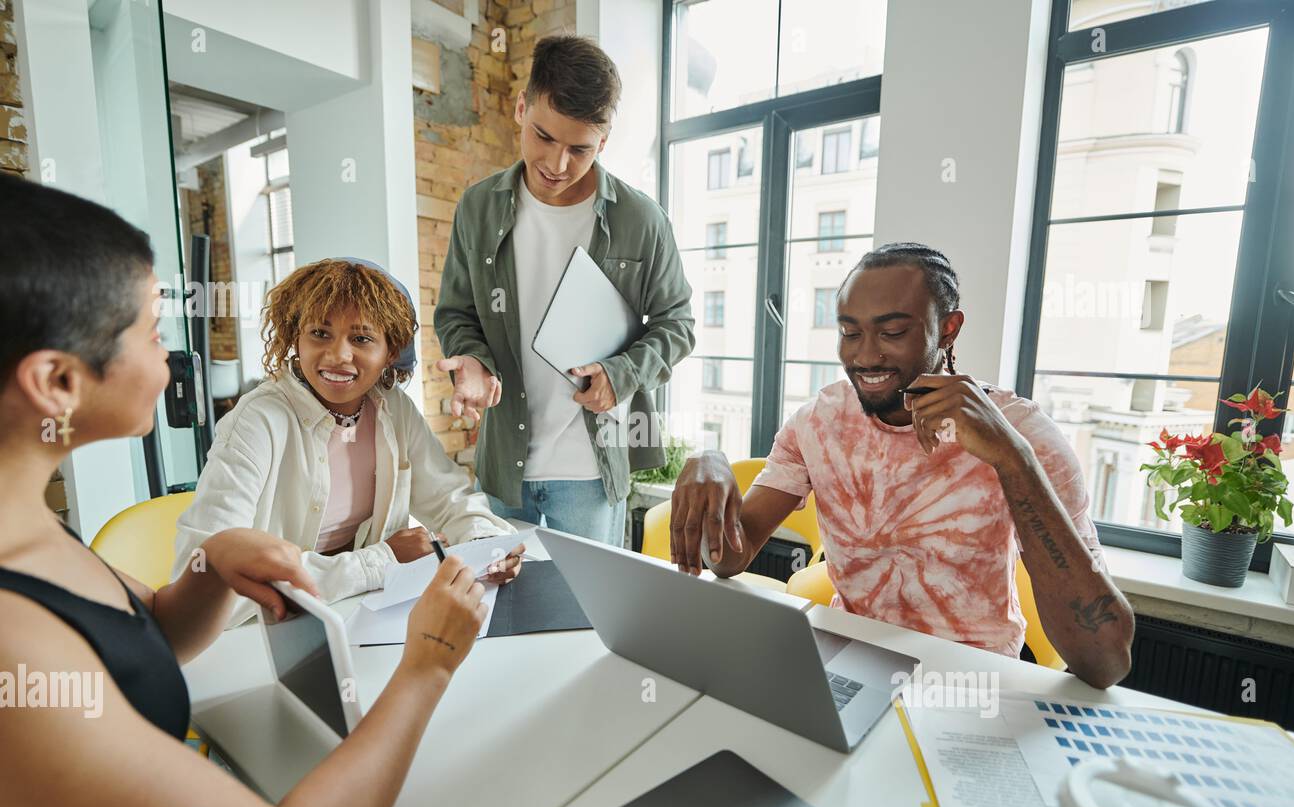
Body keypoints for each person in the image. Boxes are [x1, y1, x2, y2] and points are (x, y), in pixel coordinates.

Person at [0, 175, 489, 807]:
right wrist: (429, 665)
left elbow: (153, 635)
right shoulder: (15, 639)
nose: (173, 362)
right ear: (56, 382)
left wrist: (213, 571)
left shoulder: (38, 534)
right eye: (151, 333)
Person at [669, 242, 1134, 689]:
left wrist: (1012, 460)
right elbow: (729, 559)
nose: (865, 356)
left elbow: (1105, 662)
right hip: (849, 669)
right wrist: (711, 463)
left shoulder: (1023, 433)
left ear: (948, 329)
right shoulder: (818, 422)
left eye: (892, 333)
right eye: (850, 332)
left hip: (971, 685)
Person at [434, 34, 694, 546]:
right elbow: (455, 314)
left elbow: (677, 325)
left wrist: (620, 375)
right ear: (520, 106)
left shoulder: (642, 220)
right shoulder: (477, 208)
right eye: (543, 136)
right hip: (504, 467)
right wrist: (469, 360)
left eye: (579, 148)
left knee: (591, 618)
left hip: (593, 471)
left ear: (605, 138)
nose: (556, 163)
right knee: (501, 613)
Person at [175, 257, 524, 628]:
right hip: (269, 635)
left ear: (391, 351)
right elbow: (203, 578)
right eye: (320, 334)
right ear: (296, 337)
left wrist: (488, 547)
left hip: (362, 618)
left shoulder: (392, 407)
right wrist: (381, 560)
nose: (339, 355)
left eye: (361, 338)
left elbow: (451, 501)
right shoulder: (257, 421)